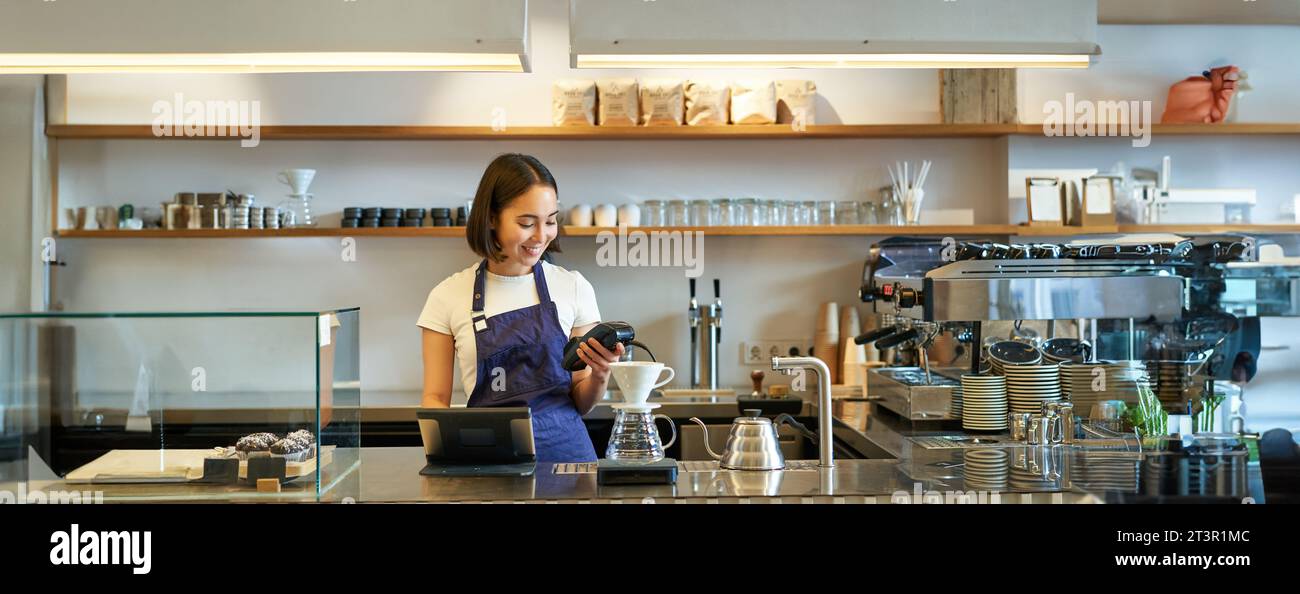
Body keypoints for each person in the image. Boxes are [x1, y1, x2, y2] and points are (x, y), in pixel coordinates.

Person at [416, 153, 622, 462]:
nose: (541, 236)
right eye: (527, 223)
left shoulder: (574, 287)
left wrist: (600, 374)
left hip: (568, 465)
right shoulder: (447, 296)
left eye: (551, 221)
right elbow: (435, 397)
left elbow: (581, 399)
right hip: (487, 465)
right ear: (490, 218)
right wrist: (444, 457)